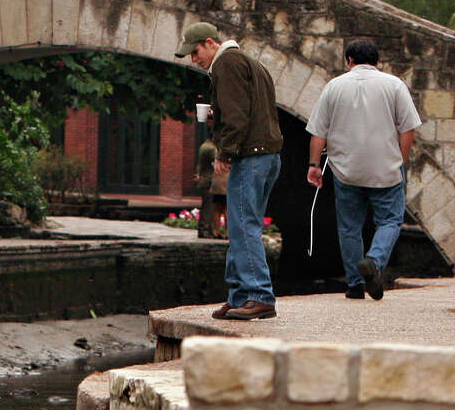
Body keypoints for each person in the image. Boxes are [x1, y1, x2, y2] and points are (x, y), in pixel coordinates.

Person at [175, 22, 283, 320]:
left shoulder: (227, 64)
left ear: (210, 43)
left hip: (251, 156)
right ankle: (239, 296)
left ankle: (259, 295)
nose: (194, 59)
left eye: (195, 52)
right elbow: (251, 109)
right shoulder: (252, 64)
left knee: (243, 225)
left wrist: (225, 152)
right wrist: (218, 114)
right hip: (268, 155)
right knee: (241, 224)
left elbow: (237, 116)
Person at [305, 39, 421, 300]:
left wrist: (314, 165)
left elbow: (318, 132)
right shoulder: (394, 85)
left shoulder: (334, 87)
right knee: (390, 220)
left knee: (349, 227)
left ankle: (355, 284)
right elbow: (408, 128)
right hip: (386, 168)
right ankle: (374, 260)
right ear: (377, 62)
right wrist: (399, 160)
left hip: (346, 169)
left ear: (349, 61)